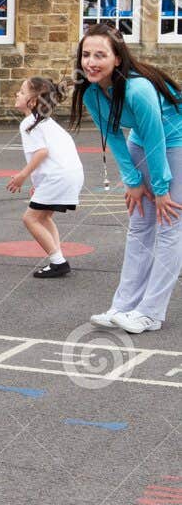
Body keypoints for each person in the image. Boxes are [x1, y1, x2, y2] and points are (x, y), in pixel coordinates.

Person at [70, 22, 182, 332]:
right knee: (140, 223)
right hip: (141, 139)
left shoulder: (138, 88)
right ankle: (125, 305)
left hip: (175, 138)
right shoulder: (91, 91)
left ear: (117, 58)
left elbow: (157, 136)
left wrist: (160, 189)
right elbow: (115, 137)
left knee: (170, 224)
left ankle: (151, 313)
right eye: (86, 54)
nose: (91, 62)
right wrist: (133, 182)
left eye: (100, 55)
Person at [6, 77, 85, 276]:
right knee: (45, 216)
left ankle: (58, 261)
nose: (17, 94)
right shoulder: (47, 123)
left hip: (58, 176)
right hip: (69, 174)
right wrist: (39, 184)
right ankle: (57, 257)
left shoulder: (29, 123)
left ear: (32, 102)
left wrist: (22, 176)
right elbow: (52, 155)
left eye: (22, 92)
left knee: (30, 219)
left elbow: (41, 153)